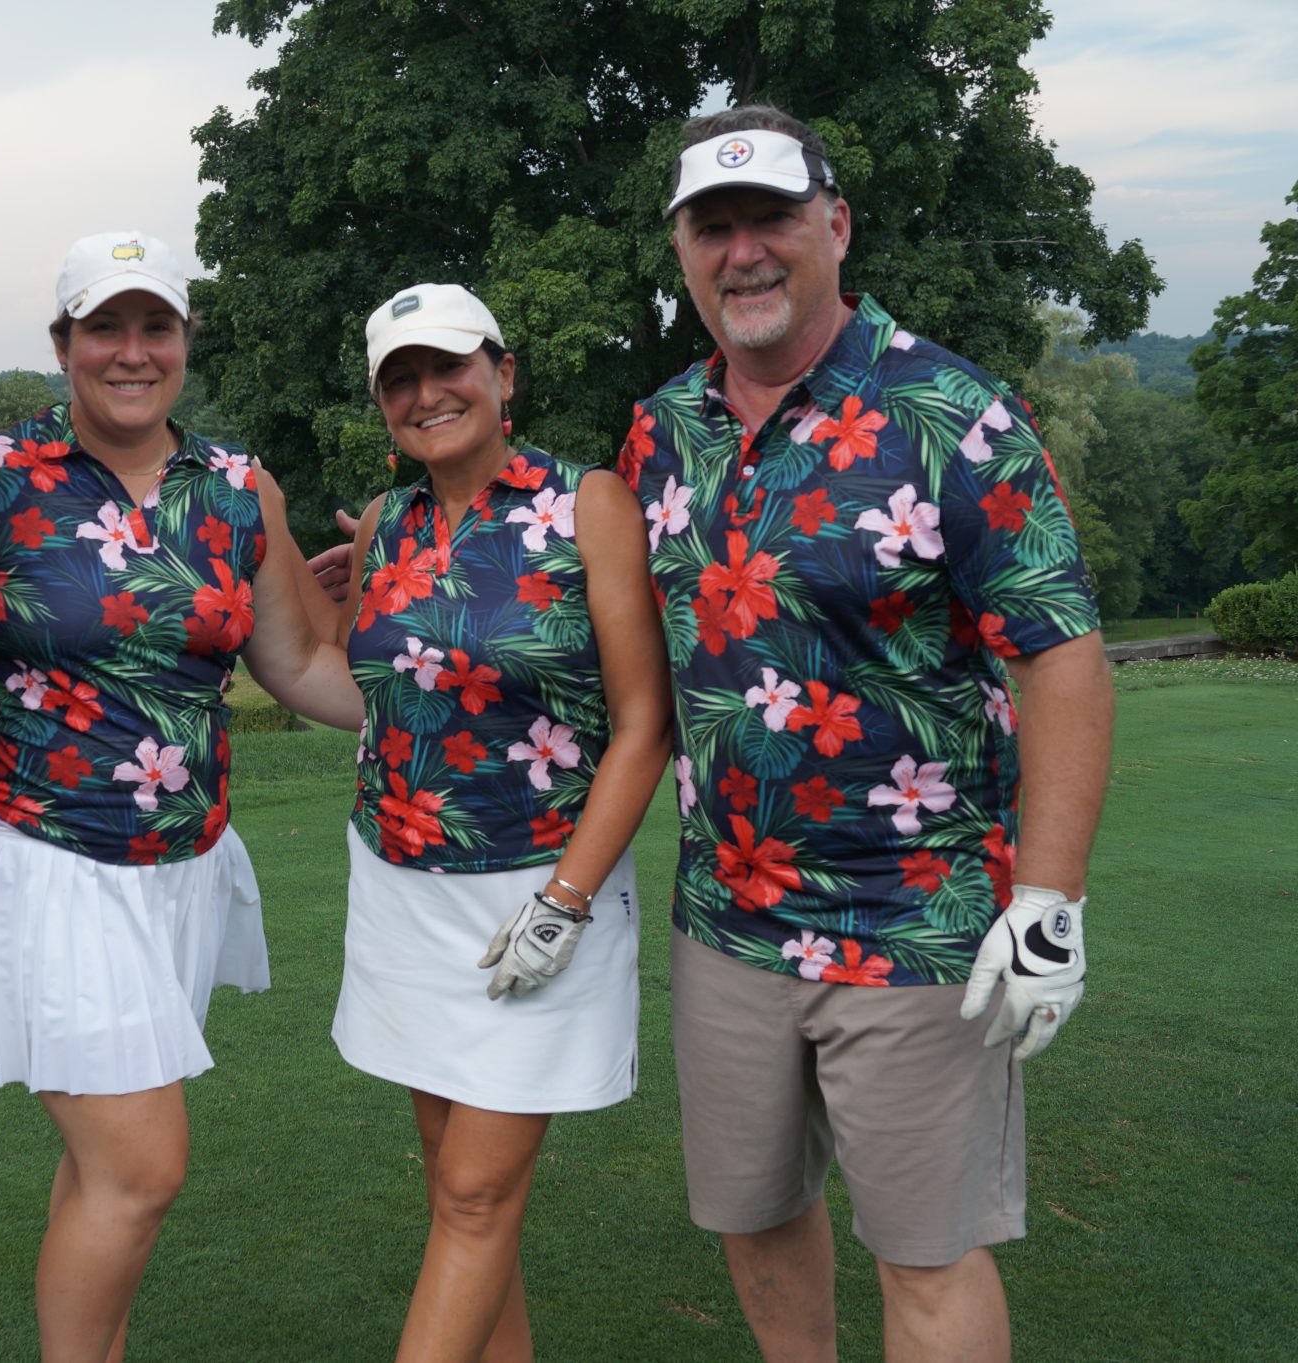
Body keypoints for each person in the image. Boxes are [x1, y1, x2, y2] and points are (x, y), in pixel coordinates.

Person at [625, 104, 1114, 1362]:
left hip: (915, 922)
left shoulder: (951, 412)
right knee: (754, 1219)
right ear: (680, 252)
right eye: (711, 227)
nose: (742, 252)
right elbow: (617, 632)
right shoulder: (661, 426)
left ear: (833, 228)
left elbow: (1058, 653)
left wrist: (1048, 898)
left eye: (770, 220)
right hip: (727, 920)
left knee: (927, 1256)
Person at [0, 231, 362, 1363]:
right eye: (104, 328)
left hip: (182, 865)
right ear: (61, 345)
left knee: (101, 1173)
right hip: (43, 854)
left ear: (183, 341)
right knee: (141, 1167)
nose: (131, 352)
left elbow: (301, 665)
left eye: (155, 327)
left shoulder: (238, 489)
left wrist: (444, 695)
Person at [335, 282, 673, 1363]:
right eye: (401, 377)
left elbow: (642, 723)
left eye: (449, 366)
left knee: (477, 1193)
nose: (427, 392)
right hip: (399, 884)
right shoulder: (387, 522)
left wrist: (562, 902)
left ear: (503, 373)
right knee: (459, 1194)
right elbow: (375, 684)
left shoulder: (588, 502)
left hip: (537, 888)